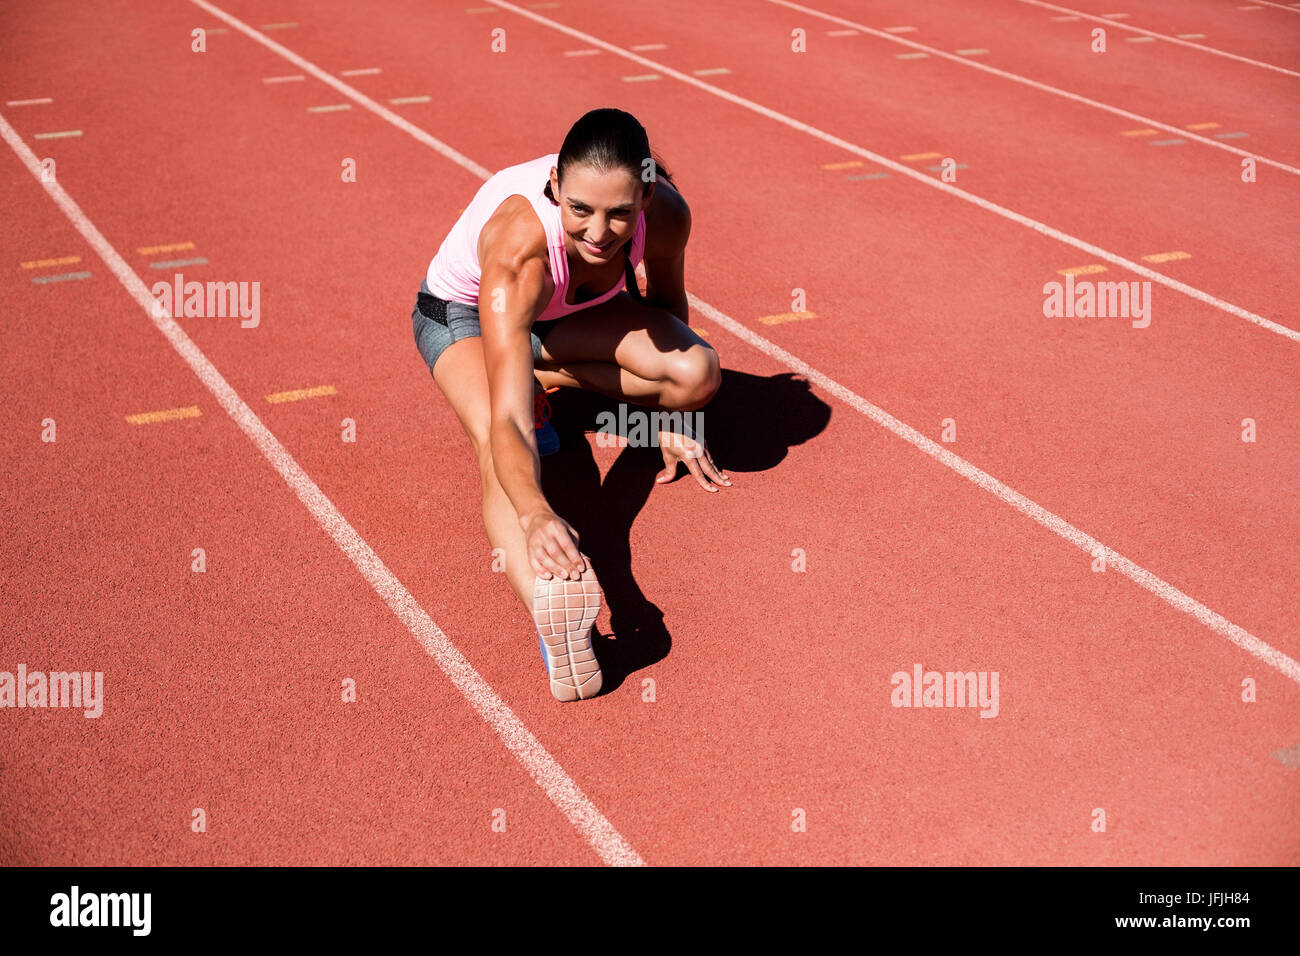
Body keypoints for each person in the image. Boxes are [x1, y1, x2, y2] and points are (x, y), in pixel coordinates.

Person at [411, 108, 730, 701]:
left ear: (648, 194)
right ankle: (551, 605)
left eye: (619, 213)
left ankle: (533, 371)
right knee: (491, 435)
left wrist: (670, 418)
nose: (599, 233)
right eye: (579, 209)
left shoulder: (667, 217)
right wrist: (536, 513)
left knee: (697, 373)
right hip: (467, 319)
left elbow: (665, 309)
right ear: (555, 185)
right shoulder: (519, 252)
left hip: (559, 324)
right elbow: (508, 419)